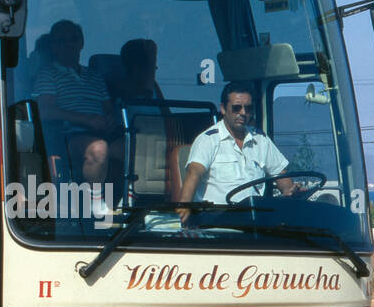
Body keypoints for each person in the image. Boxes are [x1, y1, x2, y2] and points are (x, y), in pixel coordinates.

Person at [178, 81, 294, 223]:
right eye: (236, 108)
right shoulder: (208, 140)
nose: (243, 113)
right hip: (217, 221)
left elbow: (282, 176)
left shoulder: (261, 139)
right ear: (223, 108)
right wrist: (184, 208)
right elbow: (194, 173)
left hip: (254, 220)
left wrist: (290, 190)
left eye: (248, 108)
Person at [32, 18, 119, 185]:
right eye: (62, 41)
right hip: (66, 137)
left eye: (74, 39)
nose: (69, 44)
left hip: (103, 133)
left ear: (82, 43)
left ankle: (131, 203)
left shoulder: (95, 76)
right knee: (98, 149)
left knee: (136, 150)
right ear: (53, 46)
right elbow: (45, 110)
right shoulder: (47, 74)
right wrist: (87, 120)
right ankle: (95, 202)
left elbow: (108, 108)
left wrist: (109, 119)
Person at [116, 38, 163, 103]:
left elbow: (165, 112)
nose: (155, 69)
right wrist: (147, 90)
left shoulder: (153, 86)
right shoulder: (121, 88)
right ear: (136, 68)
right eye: (150, 66)